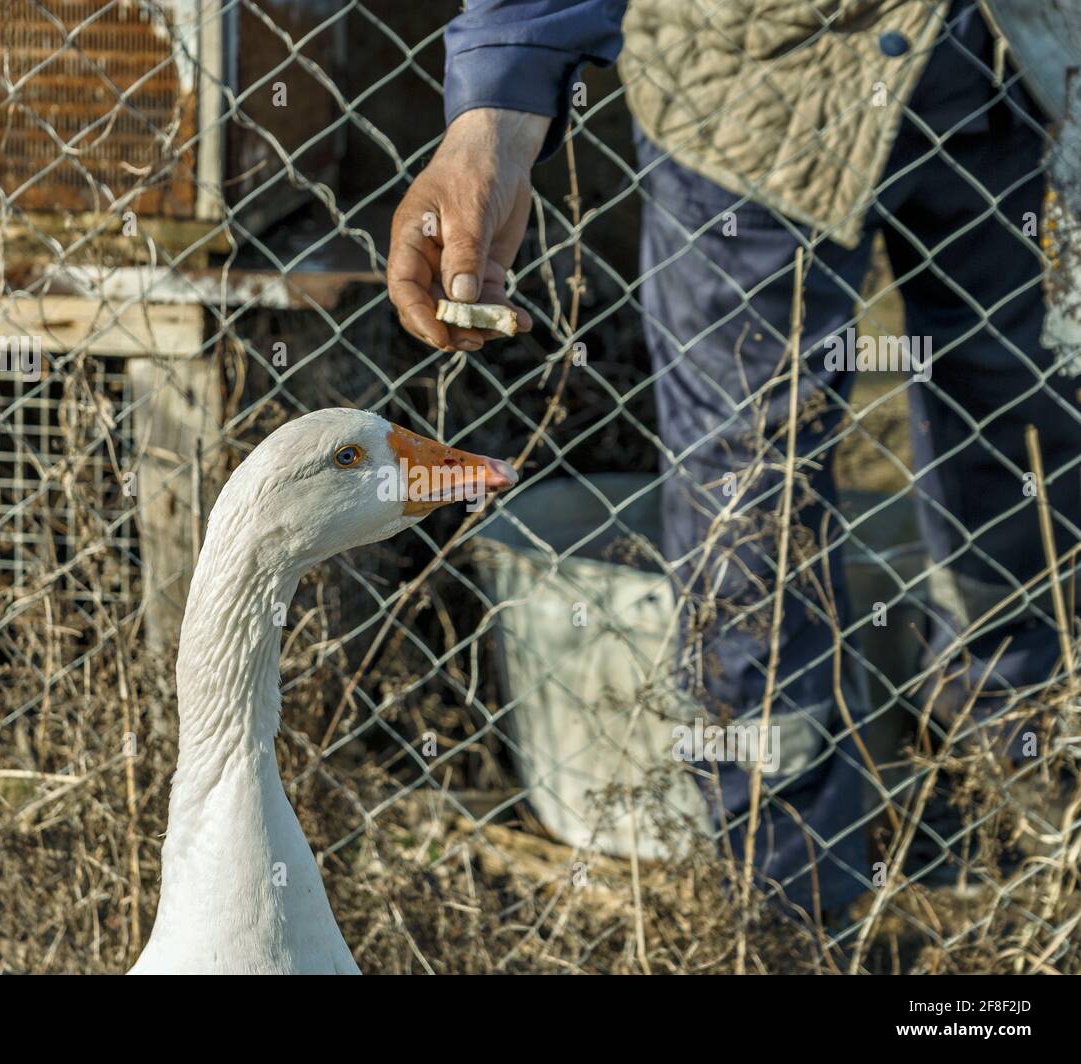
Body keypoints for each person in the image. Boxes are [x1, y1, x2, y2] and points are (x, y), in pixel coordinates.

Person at [387, 0, 1081, 913]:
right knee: (750, 502)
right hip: (754, 78)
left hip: (1022, 60)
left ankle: (1029, 827)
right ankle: (787, 894)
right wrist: (497, 112)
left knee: (1025, 439)